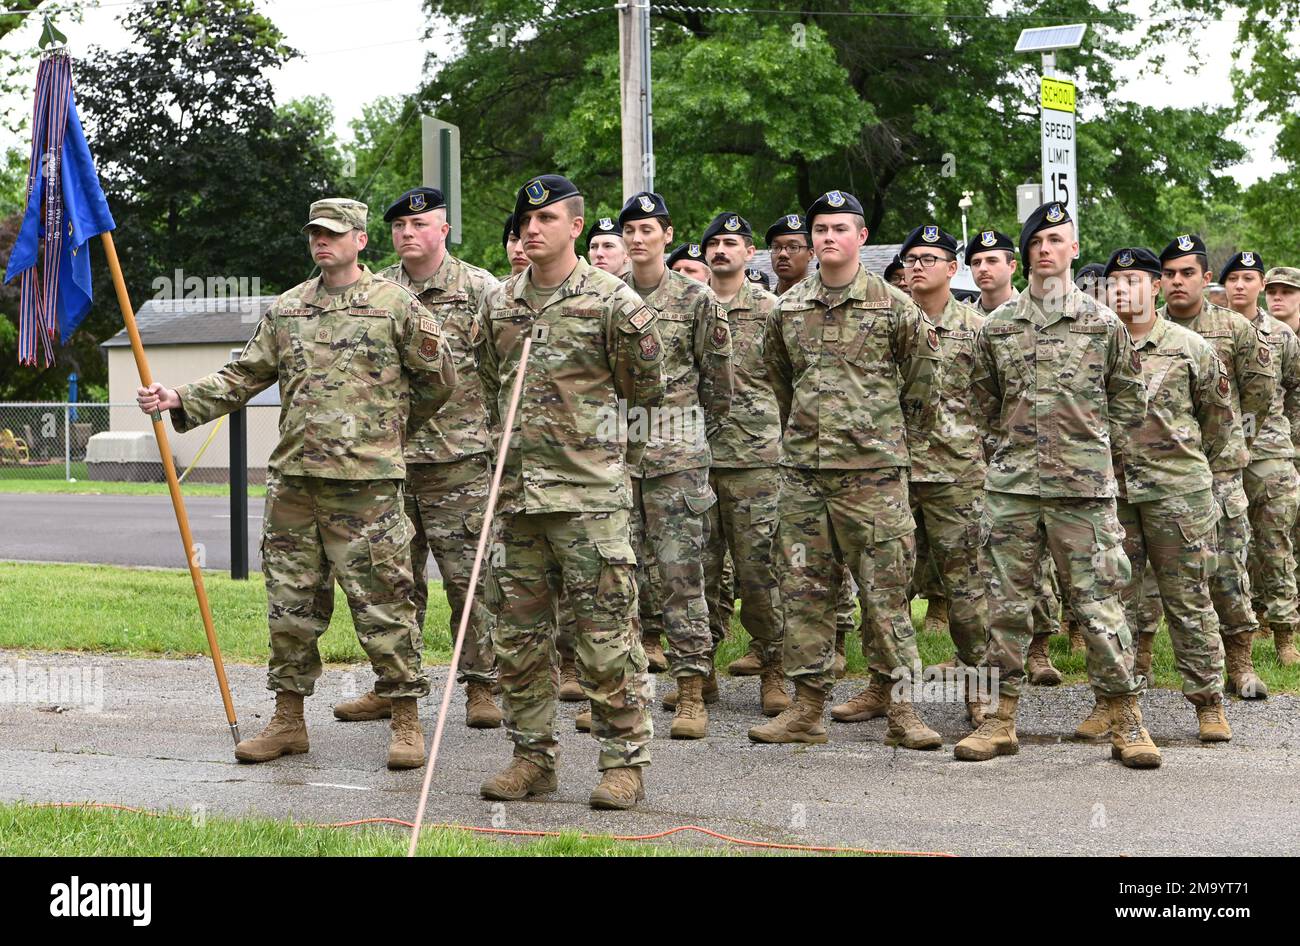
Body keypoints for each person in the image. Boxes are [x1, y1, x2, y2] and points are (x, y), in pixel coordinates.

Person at [136, 198, 456, 770]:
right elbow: (243, 375)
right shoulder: (287, 309)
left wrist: (387, 431)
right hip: (294, 485)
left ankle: (405, 718)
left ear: (360, 240)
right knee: (290, 606)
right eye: (315, 234)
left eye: (333, 234)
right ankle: (287, 721)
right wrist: (179, 397)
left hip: (365, 486)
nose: (322, 243)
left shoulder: (394, 305)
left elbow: (438, 379)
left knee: (383, 601)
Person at [475, 175, 666, 810]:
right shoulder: (501, 305)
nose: (532, 229)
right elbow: (488, 379)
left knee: (606, 638)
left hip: (588, 501)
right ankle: (532, 759)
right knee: (518, 641)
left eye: (547, 218)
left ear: (576, 227)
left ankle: (623, 764)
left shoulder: (614, 301)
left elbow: (646, 387)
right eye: (525, 219)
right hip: (518, 501)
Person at [955, 202, 1158, 768]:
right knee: (1006, 608)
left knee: (1099, 607)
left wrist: (1091, 454)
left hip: (1083, 493)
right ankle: (999, 720)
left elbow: (1127, 402)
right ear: (1027, 254)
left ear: (1073, 249)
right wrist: (1005, 454)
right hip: (1013, 490)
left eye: (1056, 239)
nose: (1045, 248)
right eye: (1036, 240)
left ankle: (1125, 717)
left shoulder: (1102, 324)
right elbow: (981, 401)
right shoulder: (997, 327)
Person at [750, 189, 942, 749]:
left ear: (861, 237)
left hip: (874, 476)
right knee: (805, 591)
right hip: (805, 477)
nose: (829, 237)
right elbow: (781, 380)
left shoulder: (894, 306)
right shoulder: (787, 308)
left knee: (886, 593)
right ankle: (807, 708)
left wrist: (885, 443)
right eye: (821, 229)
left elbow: (923, 387)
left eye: (841, 228)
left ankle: (903, 708)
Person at [324, 186, 502, 731]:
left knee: (468, 579)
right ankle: (394, 686)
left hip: (459, 460)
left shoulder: (480, 289)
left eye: (420, 224)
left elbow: (505, 364)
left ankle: (482, 686)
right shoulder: (373, 290)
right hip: (392, 464)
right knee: (392, 581)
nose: (408, 233)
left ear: (443, 230)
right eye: (399, 225)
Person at [834, 224, 988, 731]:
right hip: (887, 471)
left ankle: (980, 690)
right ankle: (885, 687)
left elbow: (999, 398)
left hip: (954, 474)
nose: (917, 266)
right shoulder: (880, 319)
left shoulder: (978, 327)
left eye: (930, 258)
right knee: (884, 589)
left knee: (966, 587)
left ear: (952, 267)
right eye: (911, 259)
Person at [1091, 246, 1233, 741]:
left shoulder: (1191, 347)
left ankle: (1208, 703)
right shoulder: (1094, 348)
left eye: (1135, 280)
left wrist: (1197, 476)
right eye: (1116, 281)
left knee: (1189, 601)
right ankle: (1112, 703)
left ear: (1154, 287)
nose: (1125, 289)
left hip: (1178, 495)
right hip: (1113, 495)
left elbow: (1218, 421)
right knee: (1112, 604)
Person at [617, 193, 734, 740]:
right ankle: (623, 691)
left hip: (676, 461)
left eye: (648, 229)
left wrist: (688, 440)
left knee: (682, 578)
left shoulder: (696, 298)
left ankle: (691, 691)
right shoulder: (607, 297)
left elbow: (719, 384)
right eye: (630, 231)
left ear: (667, 236)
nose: (638, 239)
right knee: (618, 581)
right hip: (617, 456)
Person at [1158, 233, 1276, 699]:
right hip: (1164, 474)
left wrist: (1223, 444)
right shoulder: (1144, 329)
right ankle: (1142, 662)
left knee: (1228, 568)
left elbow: (1258, 395)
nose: (1177, 282)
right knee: (1148, 579)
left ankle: (1241, 664)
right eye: (1168, 274)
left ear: (1207, 279)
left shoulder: (1234, 329)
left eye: (1187, 273)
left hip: (1220, 475)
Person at [696, 211, 789, 717]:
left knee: (760, 572)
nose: (721, 250)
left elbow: (788, 378)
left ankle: (773, 670)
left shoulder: (772, 310)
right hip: (697, 459)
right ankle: (700, 672)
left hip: (756, 462)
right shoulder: (689, 306)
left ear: (749, 252)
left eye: (732, 242)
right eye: (714, 243)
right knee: (698, 573)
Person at [765, 214, 813, 296]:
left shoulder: (825, 301)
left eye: (793, 247)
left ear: (810, 254)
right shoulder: (762, 303)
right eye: (776, 247)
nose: (782, 254)